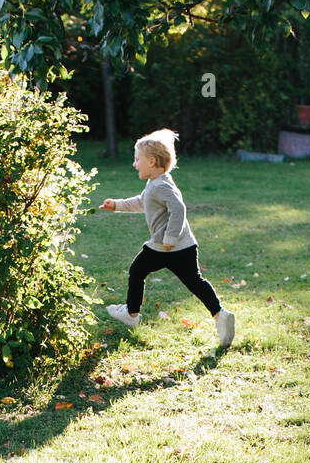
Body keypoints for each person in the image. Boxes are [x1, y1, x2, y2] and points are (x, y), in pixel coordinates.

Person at [99, 128, 235, 346]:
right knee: (195, 282)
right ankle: (221, 315)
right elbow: (141, 203)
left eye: (137, 160)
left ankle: (131, 314)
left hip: (166, 246)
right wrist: (116, 205)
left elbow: (178, 208)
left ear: (151, 161)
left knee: (137, 270)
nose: (135, 164)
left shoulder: (160, 185)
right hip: (184, 245)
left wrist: (170, 238)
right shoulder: (157, 183)